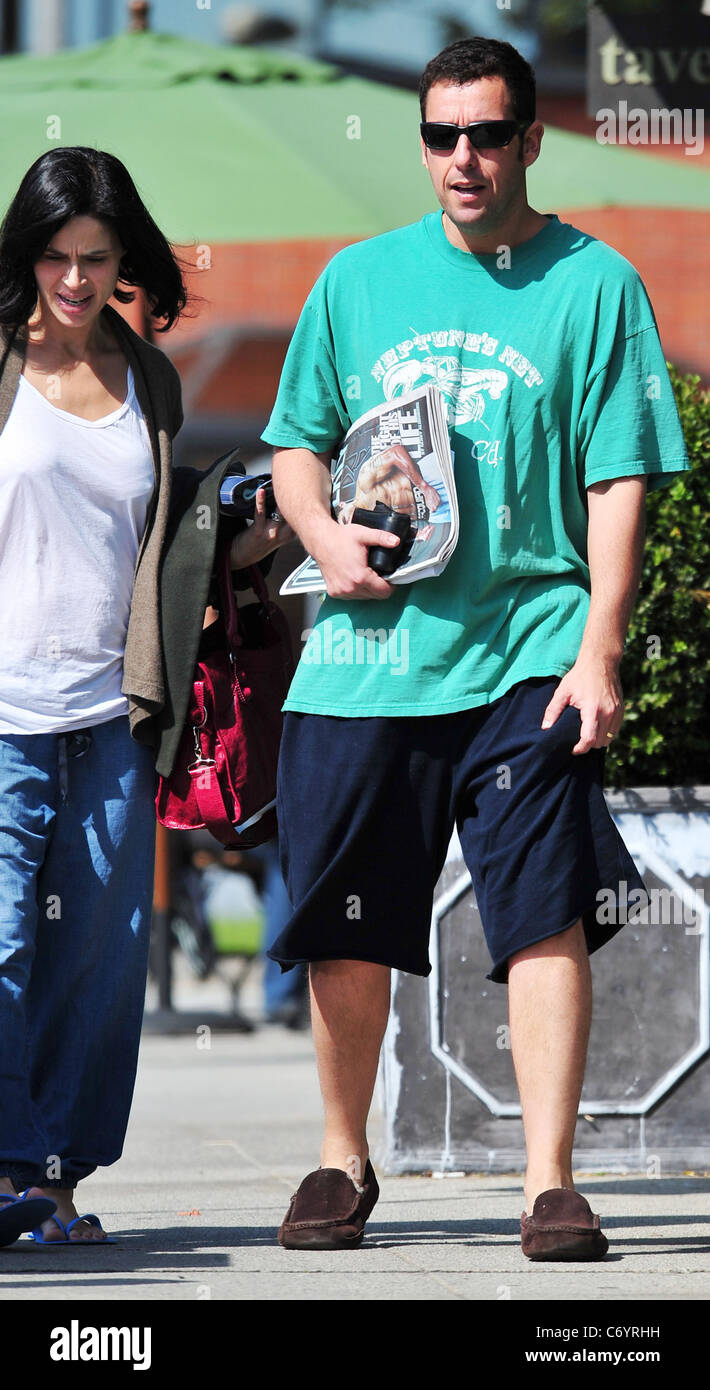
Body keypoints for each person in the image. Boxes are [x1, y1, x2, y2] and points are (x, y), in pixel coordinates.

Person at [262, 37, 690, 1258]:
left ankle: (548, 1183)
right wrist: (321, 541)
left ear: (528, 141)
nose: (464, 158)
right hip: (365, 658)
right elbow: (297, 444)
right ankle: (343, 1160)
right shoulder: (355, 281)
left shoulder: (593, 281)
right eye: (442, 135)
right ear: (420, 142)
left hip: (525, 646)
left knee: (541, 914)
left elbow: (616, 476)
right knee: (344, 922)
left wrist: (597, 645)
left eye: (487, 134)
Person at [0, 147, 288, 1247]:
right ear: (28, 257)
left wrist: (260, 532)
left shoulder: (149, 382)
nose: (75, 280)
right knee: (5, 946)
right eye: (57, 258)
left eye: (97, 259)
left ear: (125, 260)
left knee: (97, 966)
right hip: (3, 714)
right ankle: (9, 1169)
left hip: (116, 714)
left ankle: (59, 1185)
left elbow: (171, 549)